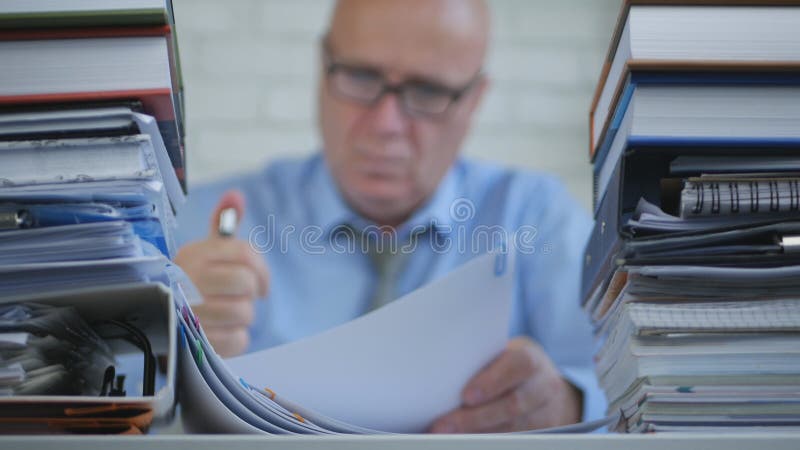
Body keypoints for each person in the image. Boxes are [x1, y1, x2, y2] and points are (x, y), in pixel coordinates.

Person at [175, 0, 604, 433]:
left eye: (428, 91)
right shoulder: (205, 228)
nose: (386, 123)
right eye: (361, 76)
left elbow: (628, 391)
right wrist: (168, 336)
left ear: (474, 101)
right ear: (322, 69)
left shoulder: (535, 217)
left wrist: (568, 404)